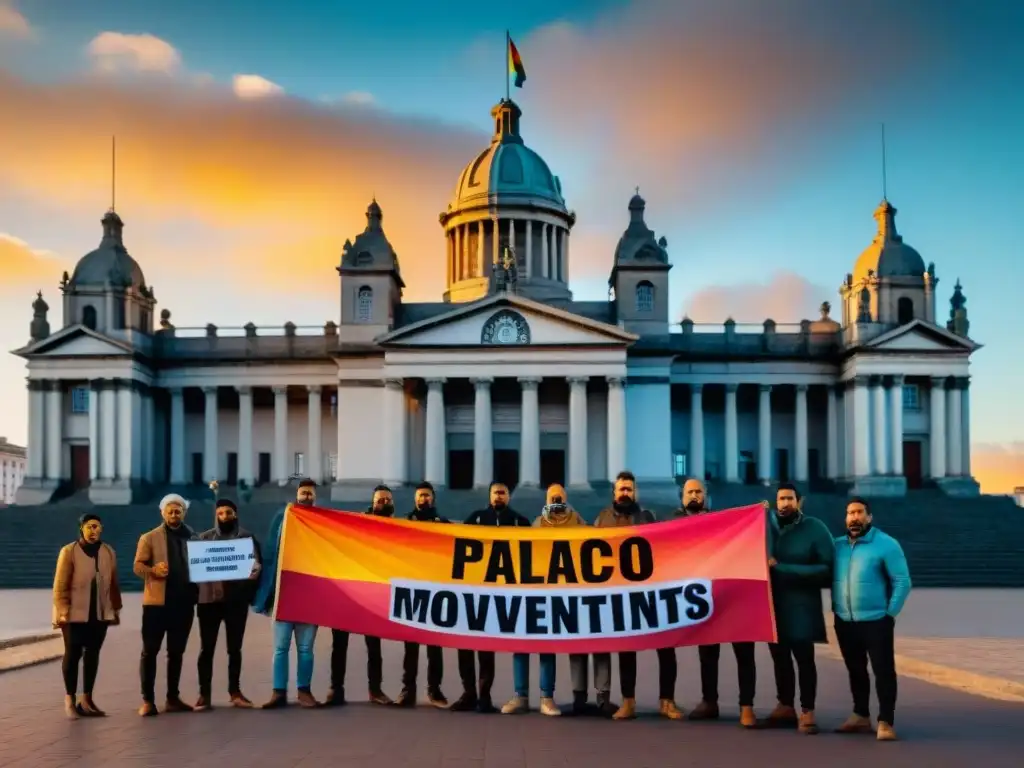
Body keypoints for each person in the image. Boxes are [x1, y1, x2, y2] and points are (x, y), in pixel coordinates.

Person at [593, 471, 682, 720]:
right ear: (614, 492)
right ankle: (628, 701)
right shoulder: (603, 519)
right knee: (626, 648)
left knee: (665, 647)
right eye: (621, 489)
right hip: (620, 593)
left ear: (635, 492)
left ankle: (667, 700)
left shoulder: (647, 517)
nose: (625, 493)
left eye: (628, 489)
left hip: (651, 591)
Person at [678, 478, 758, 728]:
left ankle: (747, 707)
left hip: (733, 595)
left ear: (706, 495)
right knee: (708, 654)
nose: (694, 495)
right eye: (689, 492)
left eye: (698, 491)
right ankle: (709, 701)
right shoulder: (673, 525)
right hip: (703, 598)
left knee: (744, 653)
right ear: (682, 497)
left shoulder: (724, 522)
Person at [501, 484, 585, 717]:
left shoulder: (576, 520)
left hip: (559, 592)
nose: (556, 500)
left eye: (560, 498)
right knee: (521, 644)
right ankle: (521, 696)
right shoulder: (537, 522)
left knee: (547, 646)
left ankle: (547, 697)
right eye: (552, 498)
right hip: (532, 590)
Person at [832, 496, 912, 742]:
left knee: (883, 671)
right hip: (845, 620)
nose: (854, 517)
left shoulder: (886, 544)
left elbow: (902, 581)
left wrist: (890, 614)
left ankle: (885, 721)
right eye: (850, 513)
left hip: (876, 620)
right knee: (855, 669)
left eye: (859, 512)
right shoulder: (837, 546)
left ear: (869, 517)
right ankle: (860, 714)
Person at [450, 482, 530, 713]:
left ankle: (484, 695)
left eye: (503, 493)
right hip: (472, 593)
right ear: (489, 495)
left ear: (509, 497)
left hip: (499, 595)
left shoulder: (520, 522)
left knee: (486, 648)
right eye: (496, 493)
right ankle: (469, 693)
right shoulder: (474, 518)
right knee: (464, 644)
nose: (499, 496)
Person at [762, 483, 835, 734]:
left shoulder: (815, 529)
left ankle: (807, 710)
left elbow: (828, 569)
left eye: (790, 498)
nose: (785, 503)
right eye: (781, 499)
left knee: (804, 660)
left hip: (802, 608)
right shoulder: (765, 529)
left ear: (799, 501)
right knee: (779, 659)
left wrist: (783, 568)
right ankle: (785, 705)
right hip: (772, 608)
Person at [324, 484, 395, 707]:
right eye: (379, 500)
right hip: (348, 591)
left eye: (387, 500)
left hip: (373, 594)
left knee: (374, 646)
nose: (383, 503)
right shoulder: (356, 523)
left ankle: (375, 690)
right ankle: (336, 689)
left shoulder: (397, 527)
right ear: (372, 502)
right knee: (339, 645)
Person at [253, 479, 320, 709]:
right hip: (283, 592)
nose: (307, 497)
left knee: (305, 649)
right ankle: (278, 692)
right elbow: (271, 552)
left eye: (310, 493)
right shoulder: (283, 517)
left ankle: (304, 691)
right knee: (281, 648)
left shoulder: (322, 521)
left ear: (315, 496)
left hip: (310, 596)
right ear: (297, 494)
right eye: (303, 493)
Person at [194, 498, 262, 711]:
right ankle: (204, 694)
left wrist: (253, 576)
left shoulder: (247, 538)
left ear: (236, 514)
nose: (225, 516)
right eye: (221, 513)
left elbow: (257, 568)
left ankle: (235, 692)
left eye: (229, 513)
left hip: (236, 602)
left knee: (235, 649)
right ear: (216, 515)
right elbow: (194, 570)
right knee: (207, 649)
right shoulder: (203, 539)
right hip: (209, 602)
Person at [134, 494, 199, 716]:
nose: (174, 514)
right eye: (170, 511)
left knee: (176, 652)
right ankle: (148, 700)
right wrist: (153, 571)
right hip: (156, 604)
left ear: (184, 513)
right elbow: (137, 566)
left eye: (178, 511)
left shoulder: (194, 537)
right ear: (162, 513)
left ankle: (173, 697)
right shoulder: (149, 538)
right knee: (150, 651)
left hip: (184, 603)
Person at [52, 512, 121, 719]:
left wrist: (115, 609)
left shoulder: (108, 551)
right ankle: (70, 699)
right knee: (72, 655)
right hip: (73, 613)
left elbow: (113, 583)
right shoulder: (69, 551)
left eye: (97, 527)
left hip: (99, 612)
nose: (94, 531)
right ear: (81, 528)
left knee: (93, 655)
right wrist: (63, 611)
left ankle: (87, 699)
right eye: (90, 526)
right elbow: (60, 586)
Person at [395, 481, 450, 708]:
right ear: (414, 499)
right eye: (420, 496)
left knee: (434, 647)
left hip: (435, 591)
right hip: (411, 591)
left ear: (433, 499)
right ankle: (408, 689)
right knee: (411, 647)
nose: (423, 499)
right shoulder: (405, 523)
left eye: (427, 496)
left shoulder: (444, 524)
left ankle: (434, 690)